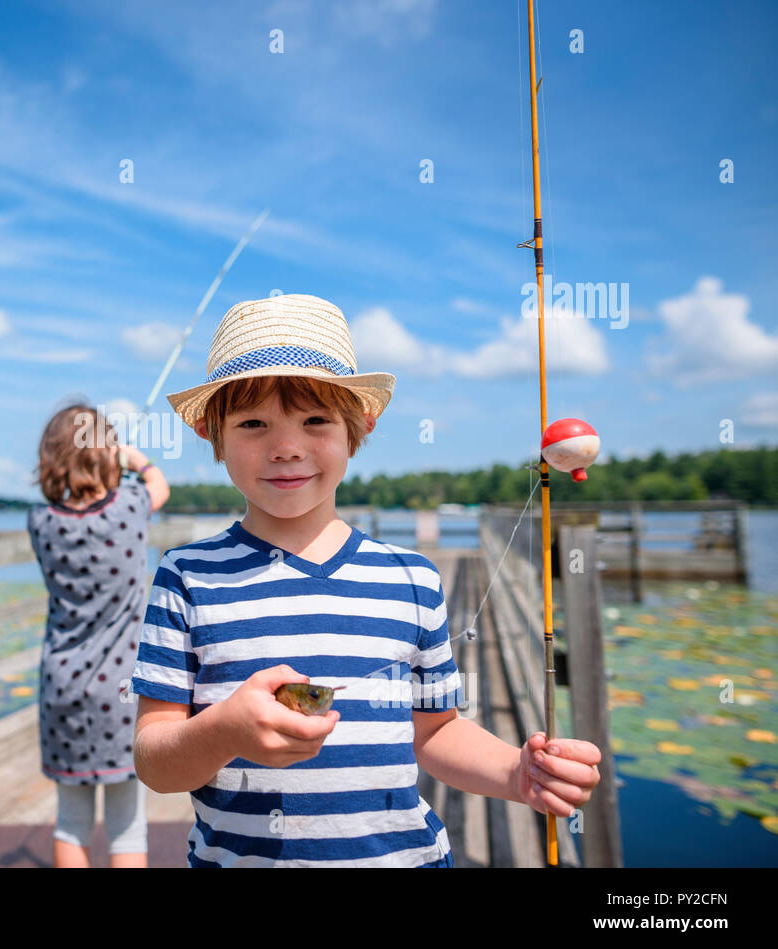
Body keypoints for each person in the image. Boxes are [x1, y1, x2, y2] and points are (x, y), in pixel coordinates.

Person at [130, 293, 602, 866]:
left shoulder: (412, 579)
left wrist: (516, 772)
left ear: (360, 427)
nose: (286, 448)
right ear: (212, 434)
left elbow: (434, 734)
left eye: (316, 421)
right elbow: (155, 762)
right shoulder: (185, 577)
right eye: (253, 423)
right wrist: (223, 732)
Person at [27, 401, 170, 867]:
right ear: (104, 454)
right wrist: (132, 458)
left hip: (62, 688)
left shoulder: (41, 522)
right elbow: (159, 486)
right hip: (123, 692)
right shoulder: (129, 506)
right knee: (127, 825)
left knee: (70, 820)